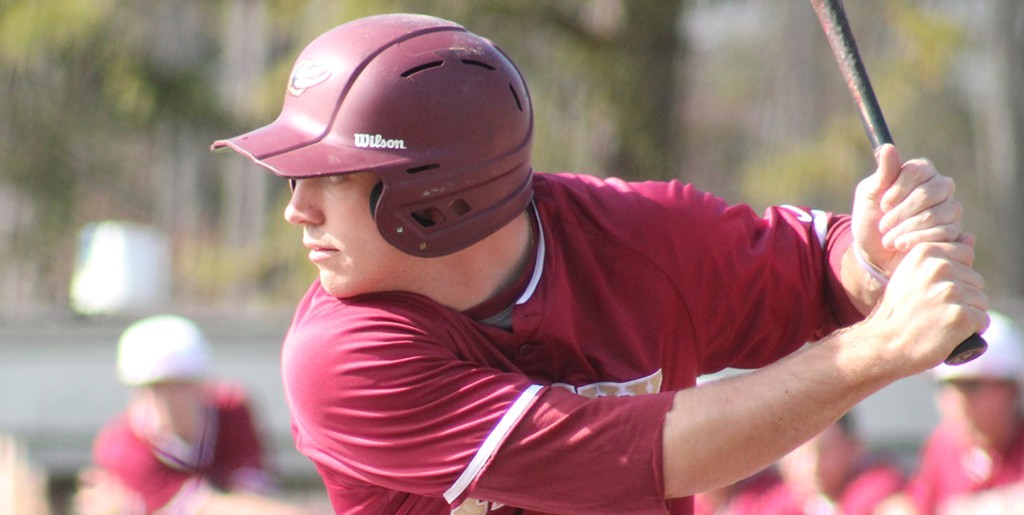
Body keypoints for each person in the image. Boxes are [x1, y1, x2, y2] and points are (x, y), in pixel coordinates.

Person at [210, 13, 988, 514]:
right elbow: (644, 454)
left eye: (331, 179)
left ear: (434, 195)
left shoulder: (635, 234)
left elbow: (819, 266)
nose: (297, 210)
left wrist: (876, 256)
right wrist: (881, 348)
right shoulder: (341, 354)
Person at [74, 314, 318, 515]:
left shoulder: (232, 411)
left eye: (179, 385)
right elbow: (203, 509)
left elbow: (251, 493)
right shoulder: (121, 444)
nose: (167, 400)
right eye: (154, 388)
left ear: (201, 384)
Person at [880, 311, 1024, 515]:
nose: (958, 399)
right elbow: (917, 506)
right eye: (945, 386)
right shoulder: (943, 446)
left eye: (971, 386)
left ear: (1011, 389)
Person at [753, 412, 905, 514]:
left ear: (854, 446)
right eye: (798, 455)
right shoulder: (773, 500)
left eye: (824, 451)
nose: (811, 467)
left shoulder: (878, 488)